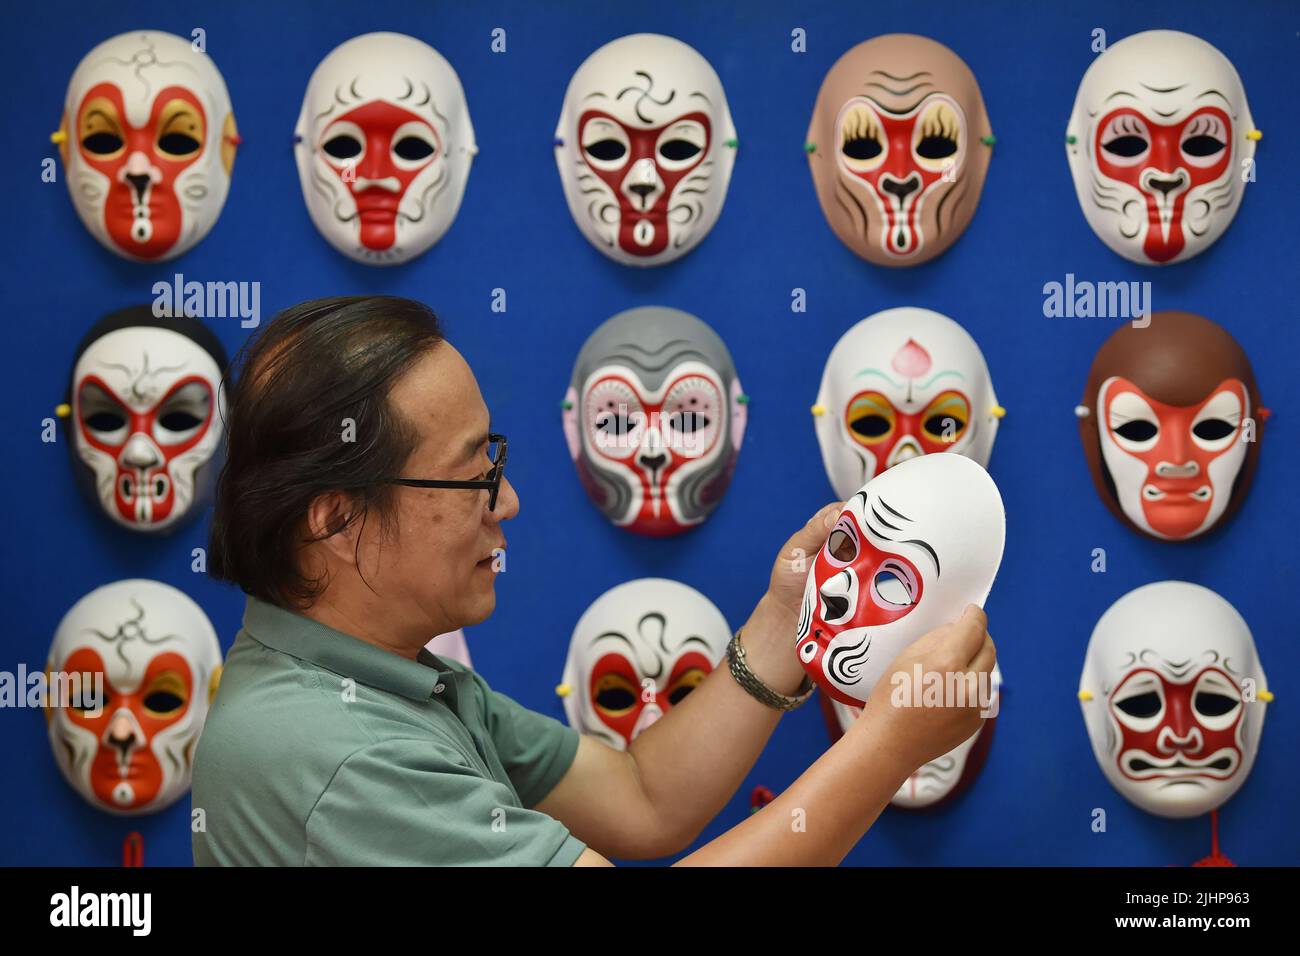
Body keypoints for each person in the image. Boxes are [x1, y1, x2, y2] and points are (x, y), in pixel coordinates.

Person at [192, 295, 995, 866]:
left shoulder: (391, 684)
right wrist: (888, 744)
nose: (507, 501)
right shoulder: (337, 757)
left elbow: (643, 799)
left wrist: (788, 621)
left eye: (495, 461)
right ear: (335, 521)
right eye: (473, 475)